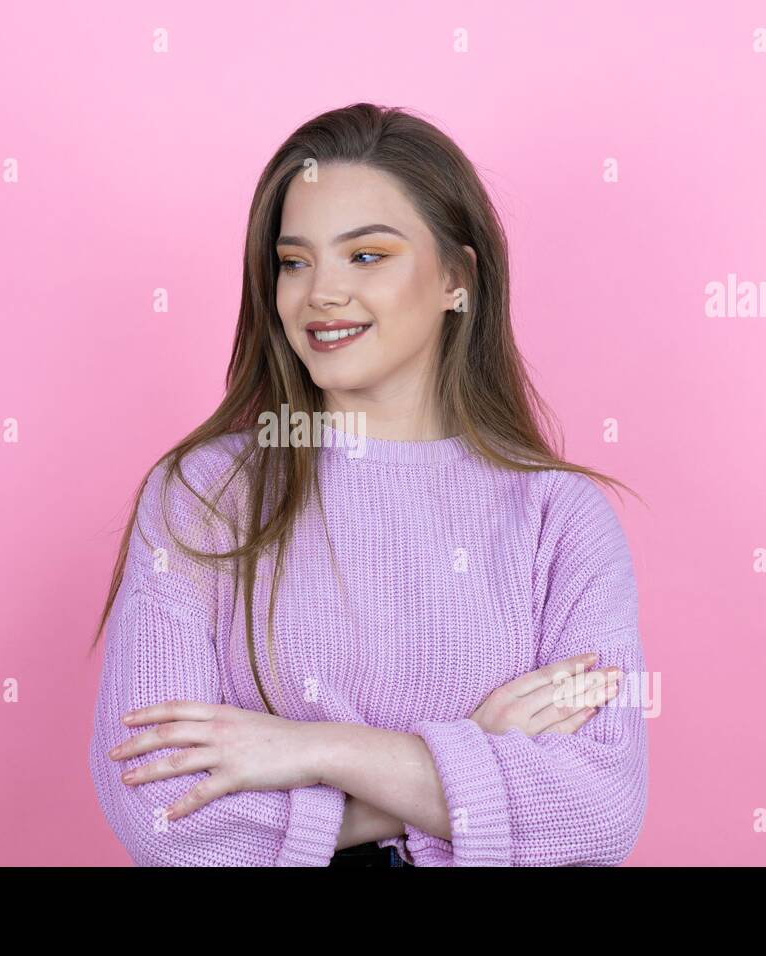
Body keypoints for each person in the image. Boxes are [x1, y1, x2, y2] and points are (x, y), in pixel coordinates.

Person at [87, 102, 649, 867]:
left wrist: (314, 749)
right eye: (294, 261)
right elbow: (160, 811)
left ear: (457, 277)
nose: (320, 293)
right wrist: (466, 765)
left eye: (367, 256)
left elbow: (598, 811)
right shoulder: (203, 496)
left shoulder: (560, 516)